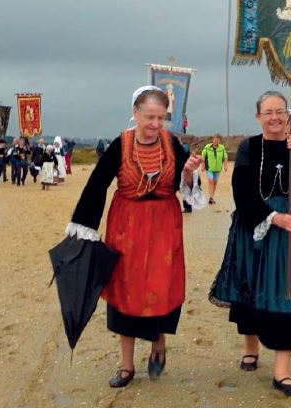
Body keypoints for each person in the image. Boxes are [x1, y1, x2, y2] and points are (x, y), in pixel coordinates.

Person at [66, 86, 205, 388]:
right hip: (126, 225)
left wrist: (190, 172)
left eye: (161, 117)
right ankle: (126, 365)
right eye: (150, 117)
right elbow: (97, 184)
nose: (156, 124)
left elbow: (187, 188)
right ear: (135, 114)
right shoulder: (121, 144)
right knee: (125, 290)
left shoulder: (173, 143)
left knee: (161, 285)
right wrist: (84, 227)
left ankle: (158, 342)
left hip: (164, 226)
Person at [209, 91, 291, 398]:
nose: (275, 118)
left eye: (280, 111)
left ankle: (282, 372)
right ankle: (251, 348)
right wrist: (271, 217)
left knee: (286, 291)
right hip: (255, 222)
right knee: (252, 286)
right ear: (258, 117)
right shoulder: (249, 147)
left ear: (289, 115)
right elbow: (241, 191)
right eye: (268, 112)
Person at [200, 134, 229, 205]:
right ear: (213, 140)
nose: (216, 141)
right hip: (209, 168)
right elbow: (203, 156)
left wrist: (225, 166)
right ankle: (211, 197)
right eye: (215, 139)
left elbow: (225, 157)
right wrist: (203, 165)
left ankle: (212, 197)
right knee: (211, 181)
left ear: (219, 140)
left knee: (215, 183)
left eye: (217, 140)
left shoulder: (221, 148)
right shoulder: (207, 147)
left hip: (217, 169)